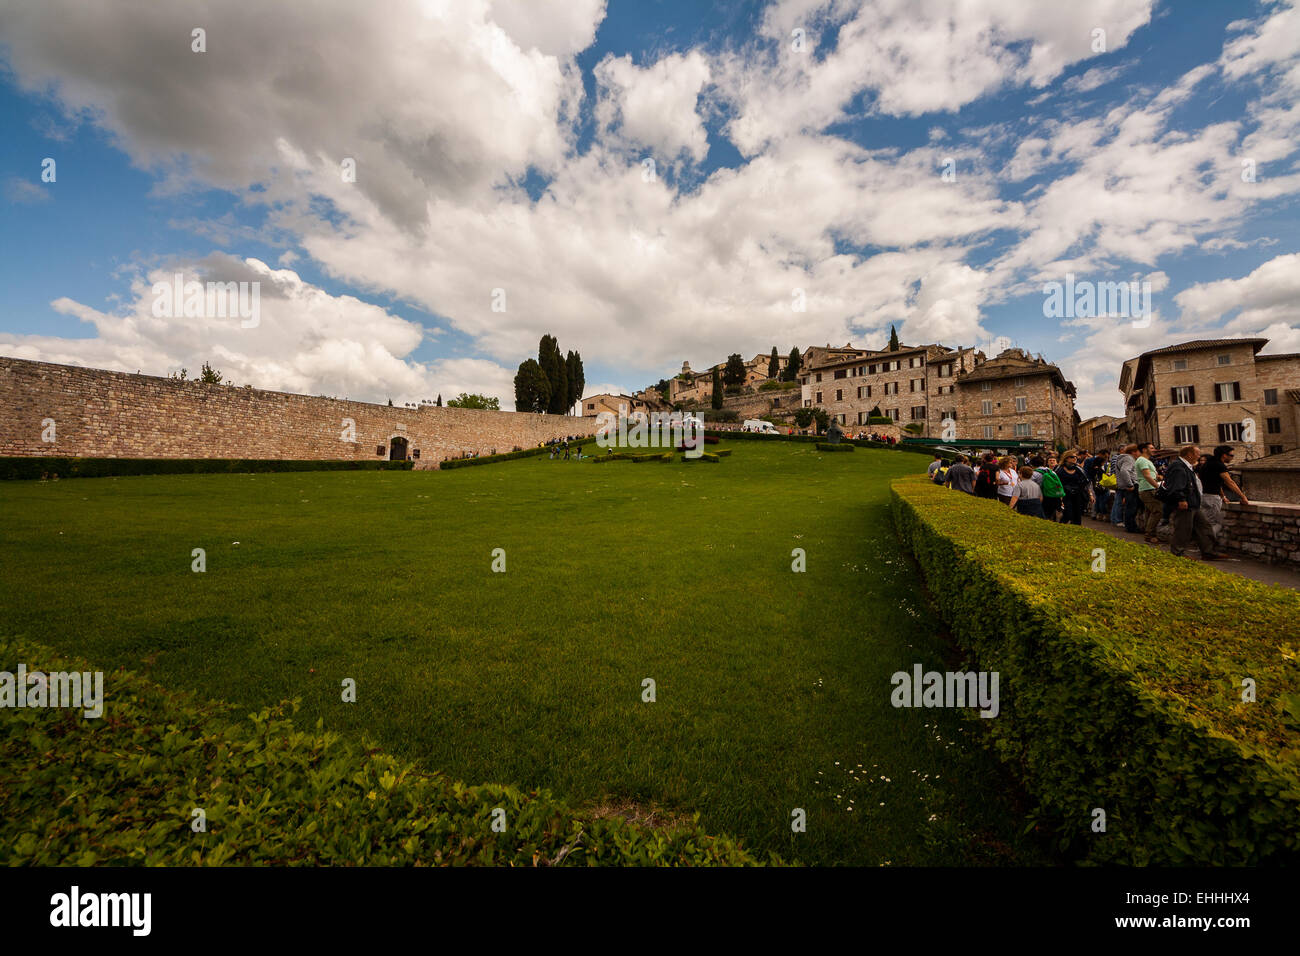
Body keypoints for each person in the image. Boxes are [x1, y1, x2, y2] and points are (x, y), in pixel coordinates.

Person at [1162, 444, 1223, 561]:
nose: (1199, 457)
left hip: (1193, 502)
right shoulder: (1178, 466)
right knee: (1183, 528)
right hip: (1186, 503)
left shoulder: (1185, 466)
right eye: (1197, 454)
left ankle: (1208, 551)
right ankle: (1177, 553)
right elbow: (1177, 485)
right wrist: (1181, 499)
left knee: (1204, 527)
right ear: (1189, 454)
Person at [1197, 445, 1251, 546]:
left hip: (1204, 496)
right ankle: (1206, 548)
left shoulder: (1207, 463)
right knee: (1215, 524)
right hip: (1212, 498)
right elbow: (1229, 482)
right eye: (1231, 455)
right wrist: (1243, 497)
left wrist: (1222, 496)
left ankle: (1205, 547)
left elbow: (1217, 483)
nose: (1232, 457)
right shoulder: (1219, 465)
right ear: (1224, 455)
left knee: (1207, 523)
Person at [1134, 441, 1163, 543]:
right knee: (1158, 511)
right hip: (1147, 489)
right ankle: (1149, 535)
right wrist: (1158, 487)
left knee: (1149, 512)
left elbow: (1150, 474)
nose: (1154, 450)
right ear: (1144, 450)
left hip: (1148, 488)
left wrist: (1158, 477)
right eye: (1151, 448)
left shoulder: (1147, 461)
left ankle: (1150, 534)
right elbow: (1146, 475)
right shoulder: (1142, 460)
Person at [1055, 452, 1092, 525]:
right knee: (1068, 514)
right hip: (1065, 495)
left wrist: (1090, 494)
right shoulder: (1060, 469)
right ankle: (1061, 528)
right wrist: (1059, 496)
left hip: (1077, 495)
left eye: (1076, 457)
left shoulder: (1079, 469)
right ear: (1066, 458)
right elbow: (1056, 484)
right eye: (1072, 457)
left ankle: (1077, 530)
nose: (1075, 458)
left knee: (1077, 515)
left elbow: (1086, 483)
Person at [1115, 444, 1141, 533]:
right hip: (1131, 486)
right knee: (1131, 507)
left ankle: (1130, 526)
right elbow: (1124, 470)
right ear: (1134, 452)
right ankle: (1131, 527)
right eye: (1138, 451)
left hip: (1125, 486)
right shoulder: (1129, 459)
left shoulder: (1123, 458)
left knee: (1129, 507)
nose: (1139, 454)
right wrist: (1130, 484)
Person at [1034, 455, 1065, 521]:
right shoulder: (1052, 473)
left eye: (1053, 460)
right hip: (1053, 495)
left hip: (1045, 495)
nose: (1052, 462)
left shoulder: (1037, 472)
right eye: (1050, 460)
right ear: (1046, 462)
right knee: (1051, 514)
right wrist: (1060, 496)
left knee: (1046, 514)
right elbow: (1059, 485)